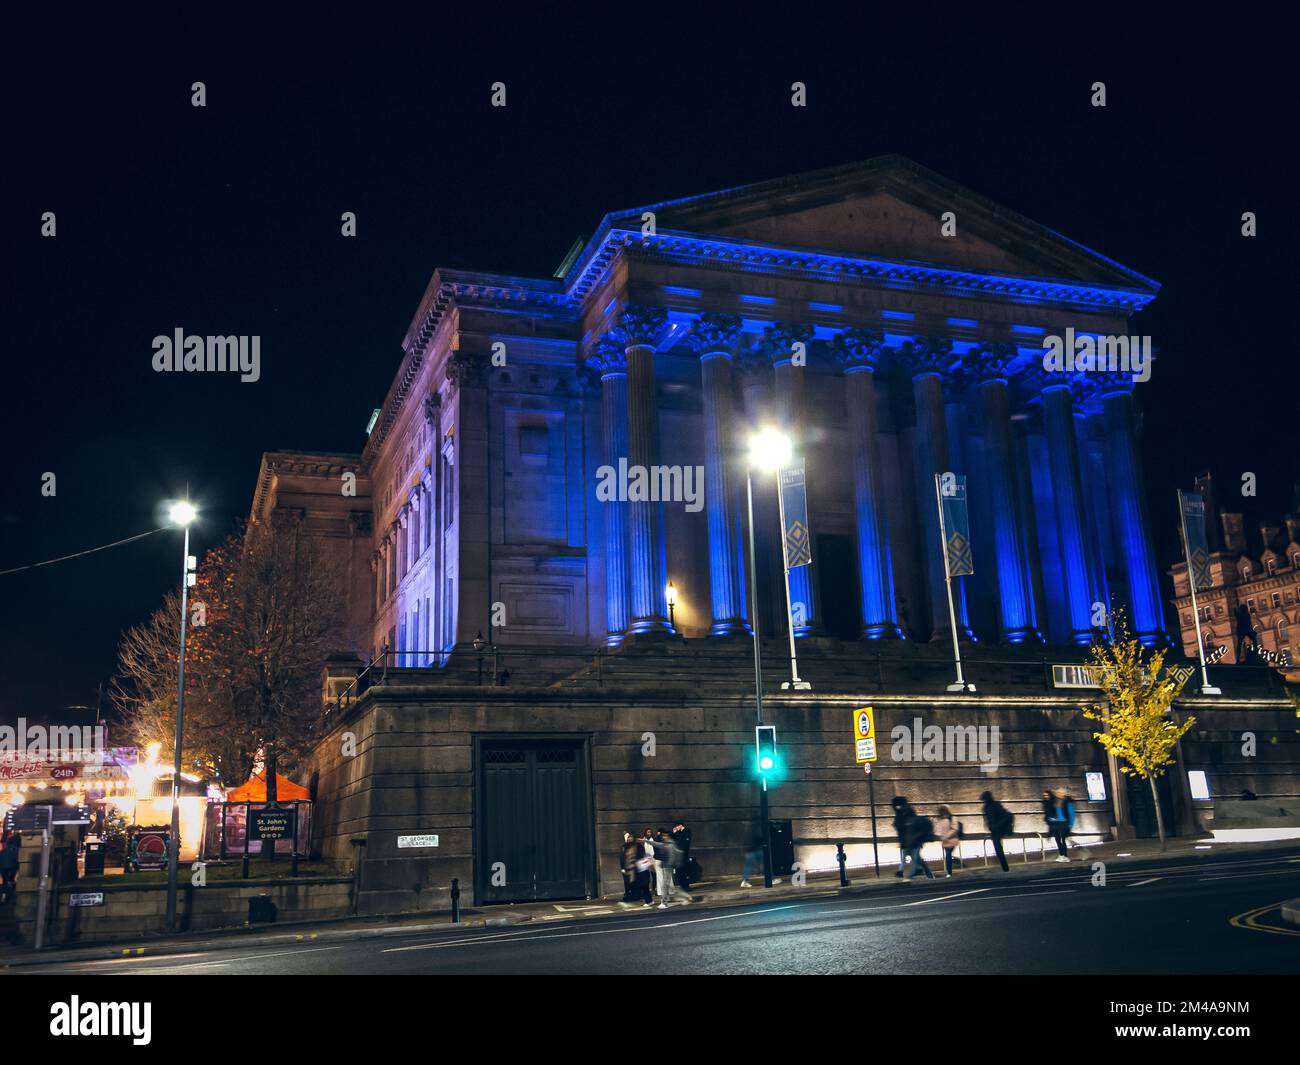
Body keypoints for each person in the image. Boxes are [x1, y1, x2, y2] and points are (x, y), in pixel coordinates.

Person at [899, 802, 935, 882]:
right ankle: (929, 874)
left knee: (915, 860)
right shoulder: (908, 820)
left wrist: (915, 838)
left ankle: (911, 876)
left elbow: (918, 832)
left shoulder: (913, 820)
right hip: (911, 843)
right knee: (918, 860)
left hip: (915, 844)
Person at [740, 817, 781, 888]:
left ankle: (744, 881)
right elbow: (760, 837)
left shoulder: (749, 828)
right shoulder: (758, 828)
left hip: (750, 850)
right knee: (766, 864)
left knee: (749, 866)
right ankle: (772, 879)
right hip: (757, 850)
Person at [981, 790, 1013, 872]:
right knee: (998, 850)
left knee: (998, 850)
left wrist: (996, 825)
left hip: (999, 829)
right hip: (995, 830)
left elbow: (1005, 816)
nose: (984, 801)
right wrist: (989, 826)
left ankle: (1005, 868)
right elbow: (987, 819)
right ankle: (1005, 868)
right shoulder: (986, 807)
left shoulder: (994, 805)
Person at [891, 796, 916, 877]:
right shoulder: (908, 811)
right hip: (909, 837)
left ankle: (902, 871)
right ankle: (917, 869)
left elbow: (899, 824)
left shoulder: (901, 812)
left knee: (907, 854)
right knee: (912, 855)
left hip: (907, 838)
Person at [1048, 788, 1076, 862]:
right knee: (1057, 839)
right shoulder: (1055, 801)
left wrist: (1070, 825)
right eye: (1058, 792)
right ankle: (1061, 855)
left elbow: (1071, 814)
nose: (1059, 794)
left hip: (1064, 823)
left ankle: (1065, 856)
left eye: (1060, 793)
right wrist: (1052, 819)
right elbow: (1053, 812)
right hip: (1057, 823)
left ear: (1064, 793)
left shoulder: (1067, 801)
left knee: (1062, 840)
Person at [934, 805, 962, 877]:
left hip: (952, 840)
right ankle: (953, 864)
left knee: (948, 855)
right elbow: (938, 831)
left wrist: (946, 836)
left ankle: (949, 872)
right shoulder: (940, 820)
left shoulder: (952, 818)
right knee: (948, 855)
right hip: (945, 841)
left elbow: (955, 829)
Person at [672, 820, 693, 895]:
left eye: (677, 826)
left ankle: (685, 886)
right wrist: (674, 833)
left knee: (683, 871)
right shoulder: (680, 833)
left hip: (683, 855)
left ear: (680, 825)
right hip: (679, 855)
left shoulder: (686, 833)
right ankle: (683, 886)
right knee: (680, 871)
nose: (676, 828)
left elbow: (685, 845)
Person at [0, 830, 20, 903]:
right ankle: (8, 893)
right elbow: (16, 860)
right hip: (11, 866)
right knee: (9, 880)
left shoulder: (3, 848)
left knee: (4, 881)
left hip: (3, 866)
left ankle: (4, 894)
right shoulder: (14, 849)